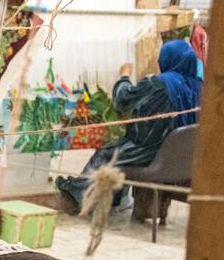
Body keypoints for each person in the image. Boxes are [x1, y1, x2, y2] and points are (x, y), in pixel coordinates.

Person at [55, 38, 202, 213]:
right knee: (116, 148)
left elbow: (122, 99)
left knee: (107, 153)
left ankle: (83, 201)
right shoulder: (199, 86)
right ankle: (112, 201)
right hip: (181, 157)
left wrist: (124, 76)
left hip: (151, 152)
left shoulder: (159, 84)